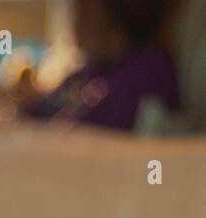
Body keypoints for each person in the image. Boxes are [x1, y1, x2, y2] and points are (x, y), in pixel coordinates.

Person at [26, 0, 180, 131]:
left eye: (85, 10)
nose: (76, 20)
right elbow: (38, 110)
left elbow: (84, 129)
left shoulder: (148, 71)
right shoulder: (91, 71)